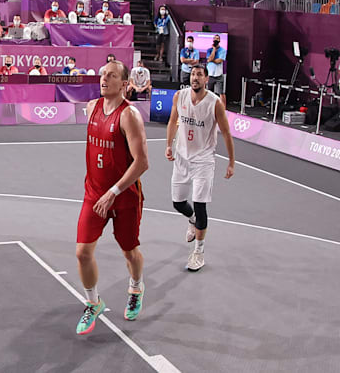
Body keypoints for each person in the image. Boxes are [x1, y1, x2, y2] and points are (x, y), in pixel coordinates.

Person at [75, 60, 150, 335]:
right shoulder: (91, 107)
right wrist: (103, 192)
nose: (104, 79)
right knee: (82, 252)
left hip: (124, 196)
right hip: (94, 194)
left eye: (112, 75)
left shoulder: (129, 115)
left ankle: (136, 287)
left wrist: (114, 191)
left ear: (124, 84)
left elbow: (142, 162)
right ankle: (93, 302)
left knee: (129, 252)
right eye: (103, 74)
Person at [165, 65, 236, 272]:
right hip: (182, 157)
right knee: (178, 203)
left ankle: (199, 252)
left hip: (204, 160)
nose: (195, 78)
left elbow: (226, 133)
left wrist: (231, 162)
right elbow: (173, 121)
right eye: (193, 74)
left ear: (206, 79)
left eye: (199, 75)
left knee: (200, 204)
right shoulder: (180, 96)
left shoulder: (215, 103)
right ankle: (192, 219)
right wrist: (168, 145)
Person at [205, 35, 226, 101]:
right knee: (208, 92)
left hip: (218, 74)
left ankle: (223, 107)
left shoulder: (223, 50)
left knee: (221, 93)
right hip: (210, 74)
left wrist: (211, 60)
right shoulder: (209, 50)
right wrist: (214, 49)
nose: (216, 40)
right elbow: (209, 59)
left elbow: (219, 60)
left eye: (217, 38)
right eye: (215, 38)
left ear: (219, 40)